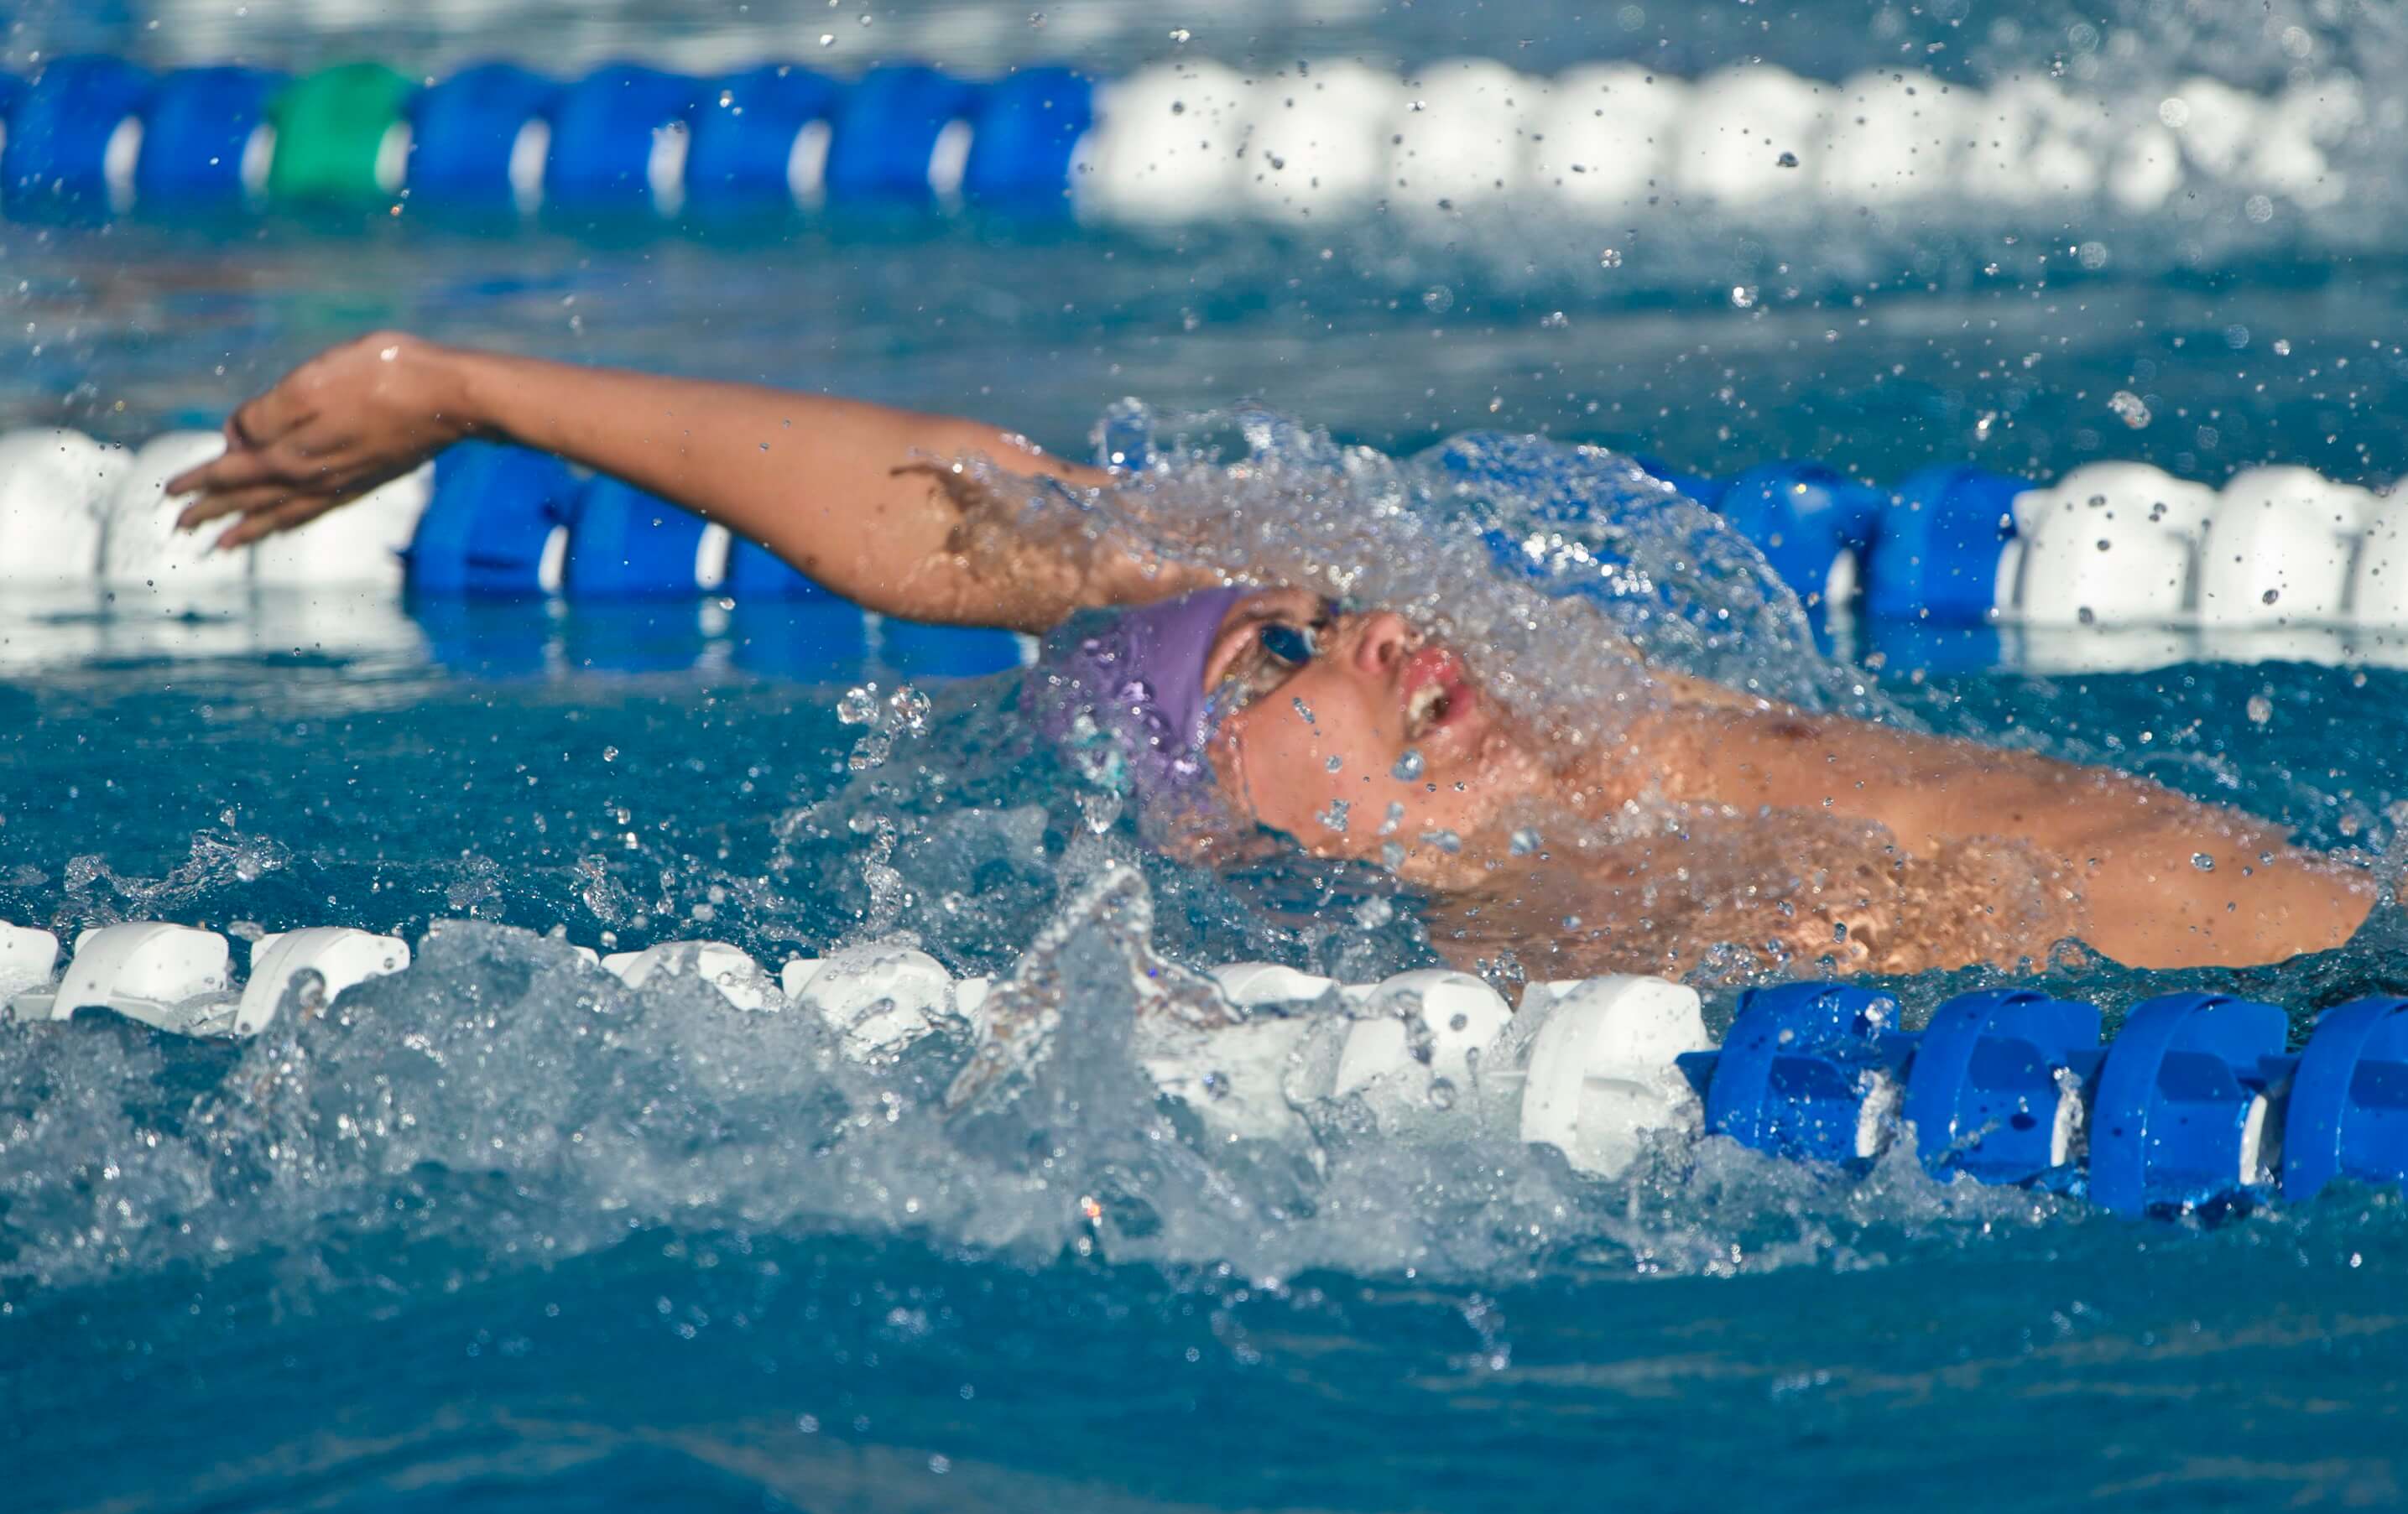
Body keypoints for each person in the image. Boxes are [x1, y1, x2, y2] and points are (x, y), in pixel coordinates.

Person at [170, 332, 2378, 979]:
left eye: (1336, 606)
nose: (1387, 626)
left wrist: (473, 390)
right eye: (1283, 660)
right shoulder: (1551, 894)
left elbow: (999, 524)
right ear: (1223, 831)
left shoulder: (1625, 723)